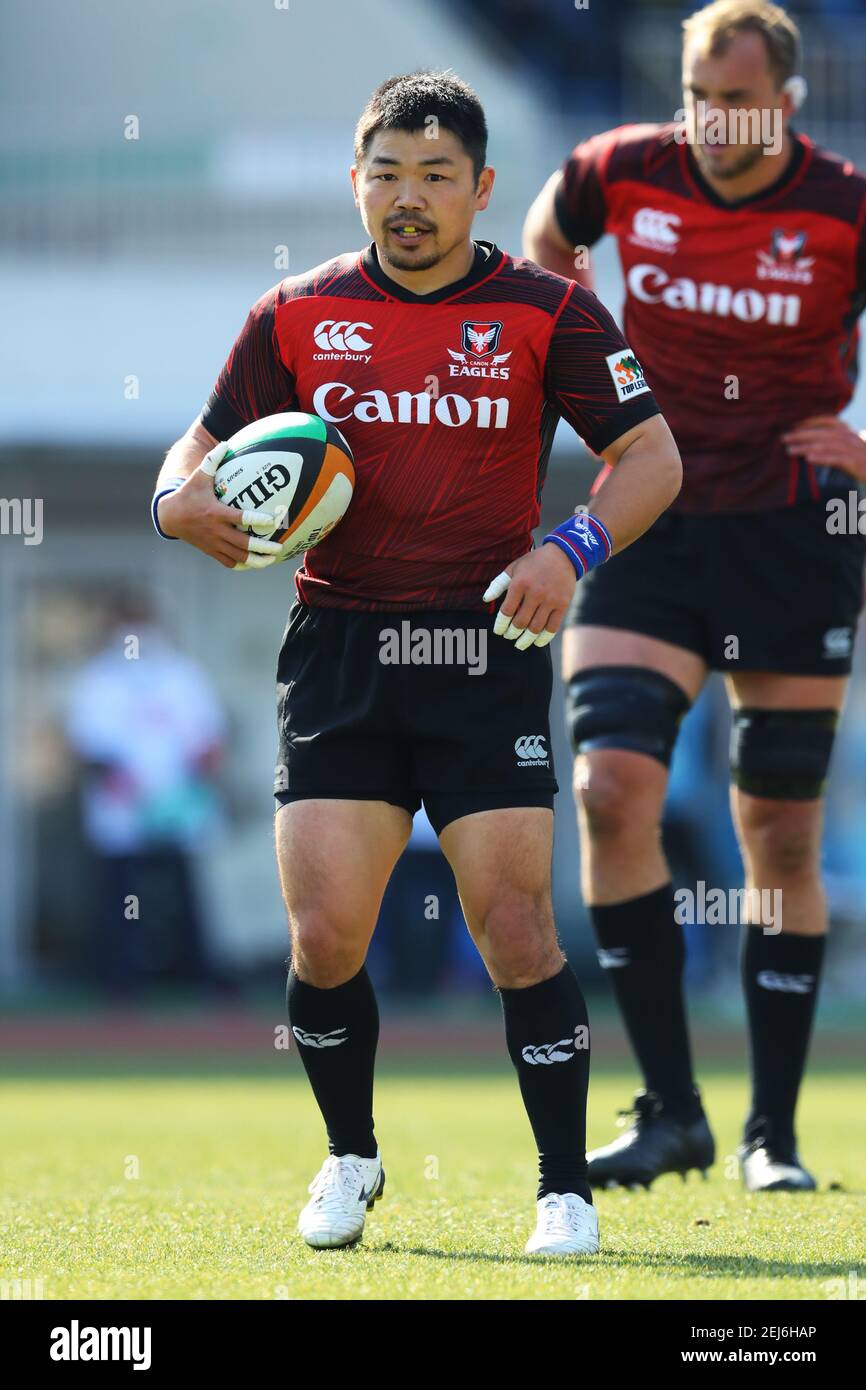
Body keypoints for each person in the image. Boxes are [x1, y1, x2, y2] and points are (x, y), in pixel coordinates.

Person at [151, 71, 681, 1256]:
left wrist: (570, 545)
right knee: (326, 935)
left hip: (483, 643)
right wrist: (170, 499)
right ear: (355, 184)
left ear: (481, 189)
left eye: (435, 176)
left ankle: (563, 1188)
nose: (407, 198)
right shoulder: (291, 312)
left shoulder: (546, 310)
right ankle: (349, 1155)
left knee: (513, 930)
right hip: (336, 645)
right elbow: (201, 443)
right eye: (385, 174)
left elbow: (650, 457)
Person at [523, 0, 866, 1192]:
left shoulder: (843, 204)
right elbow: (543, 256)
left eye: (739, 98)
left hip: (793, 528)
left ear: (784, 99)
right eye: (698, 95)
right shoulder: (618, 169)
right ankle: (671, 1110)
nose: (716, 120)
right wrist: (587, 377)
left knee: (777, 828)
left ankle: (772, 1133)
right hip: (648, 511)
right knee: (608, 786)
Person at [65, 591, 228, 997]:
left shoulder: (181, 674)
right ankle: (119, 979)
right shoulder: (98, 678)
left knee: (185, 893)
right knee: (121, 895)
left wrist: (193, 783)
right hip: (121, 812)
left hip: (179, 809)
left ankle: (194, 973)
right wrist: (120, 782)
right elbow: (87, 745)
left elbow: (209, 740)